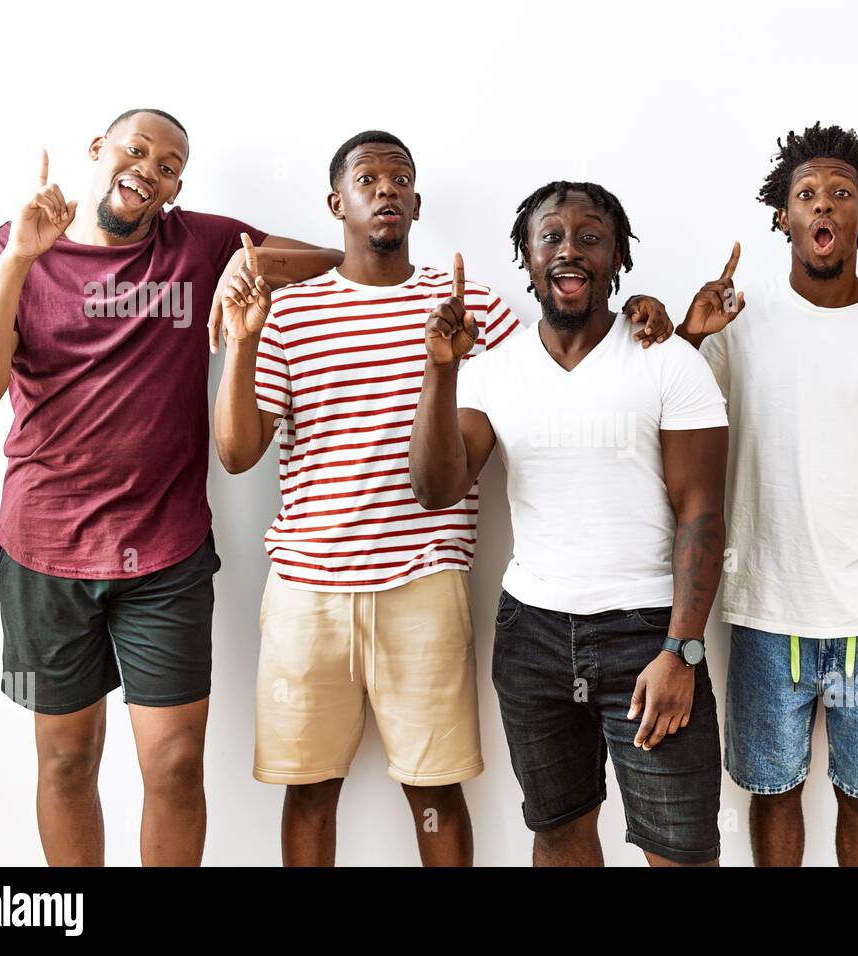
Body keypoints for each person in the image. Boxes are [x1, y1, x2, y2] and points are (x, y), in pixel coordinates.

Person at [215, 134, 674, 865]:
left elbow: (567, 357)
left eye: (401, 178)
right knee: (308, 790)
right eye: (368, 179)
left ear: (419, 203)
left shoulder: (472, 308)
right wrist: (241, 343)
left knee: (435, 792)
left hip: (424, 582)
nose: (387, 189)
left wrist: (641, 312)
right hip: (309, 588)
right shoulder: (291, 314)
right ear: (338, 204)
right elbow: (238, 455)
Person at [0, 108, 342, 866]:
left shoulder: (202, 242)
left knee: (177, 763)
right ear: (99, 151)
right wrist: (22, 257)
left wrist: (245, 275)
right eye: (137, 150)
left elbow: (324, 260)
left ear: (176, 186)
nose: (149, 170)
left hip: (167, 553)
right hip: (42, 553)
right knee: (64, 760)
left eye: (169, 165)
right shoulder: (8, 245)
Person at [410, 181, 728, 866]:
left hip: (648, 636)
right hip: (533, 638)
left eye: (590, 237)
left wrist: (683, 651)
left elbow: (701, 513)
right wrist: (441, 373)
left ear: (618, 258)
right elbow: (437, 487)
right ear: (526, 256)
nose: (569, 250)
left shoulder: (669, 362)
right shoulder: (490, 372)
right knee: (557, 831)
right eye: (550, 235)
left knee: (682, 851)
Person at [677, 123, 858, 865]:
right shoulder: (741, 324)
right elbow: (668, 426)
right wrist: (685, 332)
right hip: (767, 612)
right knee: (772, 790)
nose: (823, 205)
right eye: (806, 194)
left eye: (842, 193)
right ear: (783, 216)